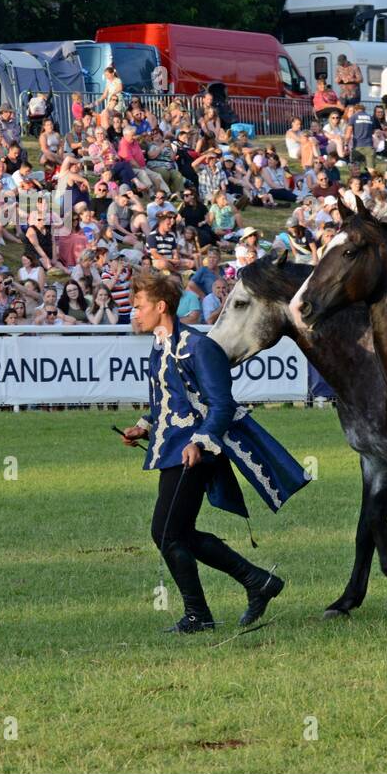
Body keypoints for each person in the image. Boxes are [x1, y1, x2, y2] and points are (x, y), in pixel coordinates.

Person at [119, 270, 308, 633]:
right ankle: (257, 582)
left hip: (195, 451)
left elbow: (221, 404)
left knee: (166, 532)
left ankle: (199, 615)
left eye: (139, 306)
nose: (134, 313)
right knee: (179, 532)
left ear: (161, 307)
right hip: (172, 449)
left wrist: (200, 442)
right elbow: (167, 398)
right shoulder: (160, 345)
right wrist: (142, 425)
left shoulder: (199, 346)